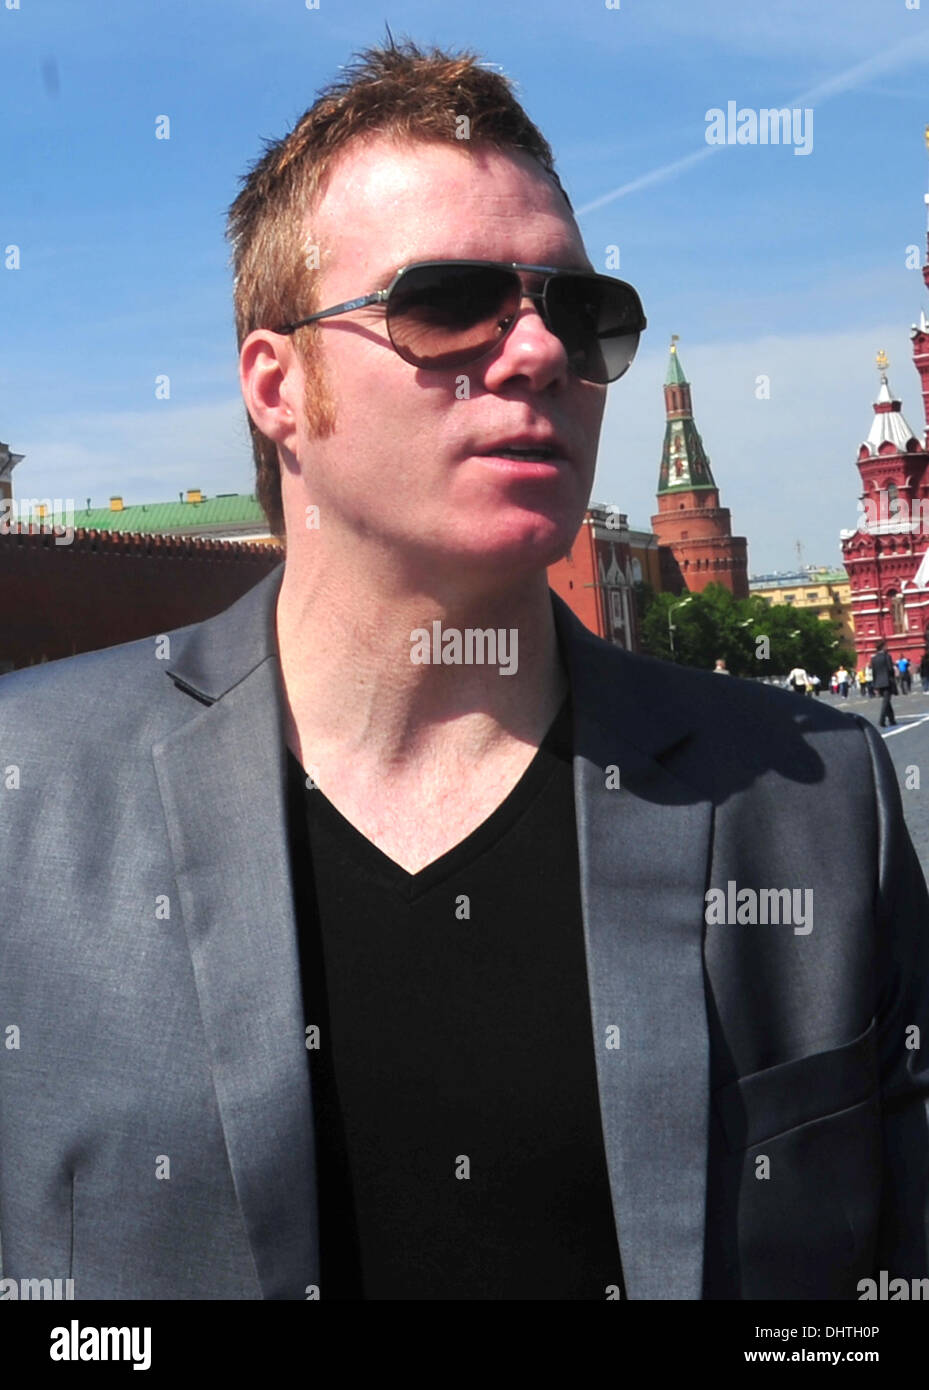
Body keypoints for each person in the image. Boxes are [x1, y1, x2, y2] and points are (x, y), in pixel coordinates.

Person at [1, 39, 928, 1304]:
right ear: (278, 386)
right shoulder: (28, 809)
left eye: (578, 310)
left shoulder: (814, 804)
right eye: (447, 302)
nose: (539, 352)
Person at [872, 639, 898, 728]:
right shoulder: (887, 656)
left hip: (879, 682)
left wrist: (875, 685)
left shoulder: (874, 658)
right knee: (886, 701)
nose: (887, 647)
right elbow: (890, 669)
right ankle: (881, 720)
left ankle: (892, 720)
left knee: (887, 701)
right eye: (886, 646)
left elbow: (874, 673)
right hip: (887, 681)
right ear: (883, 647)